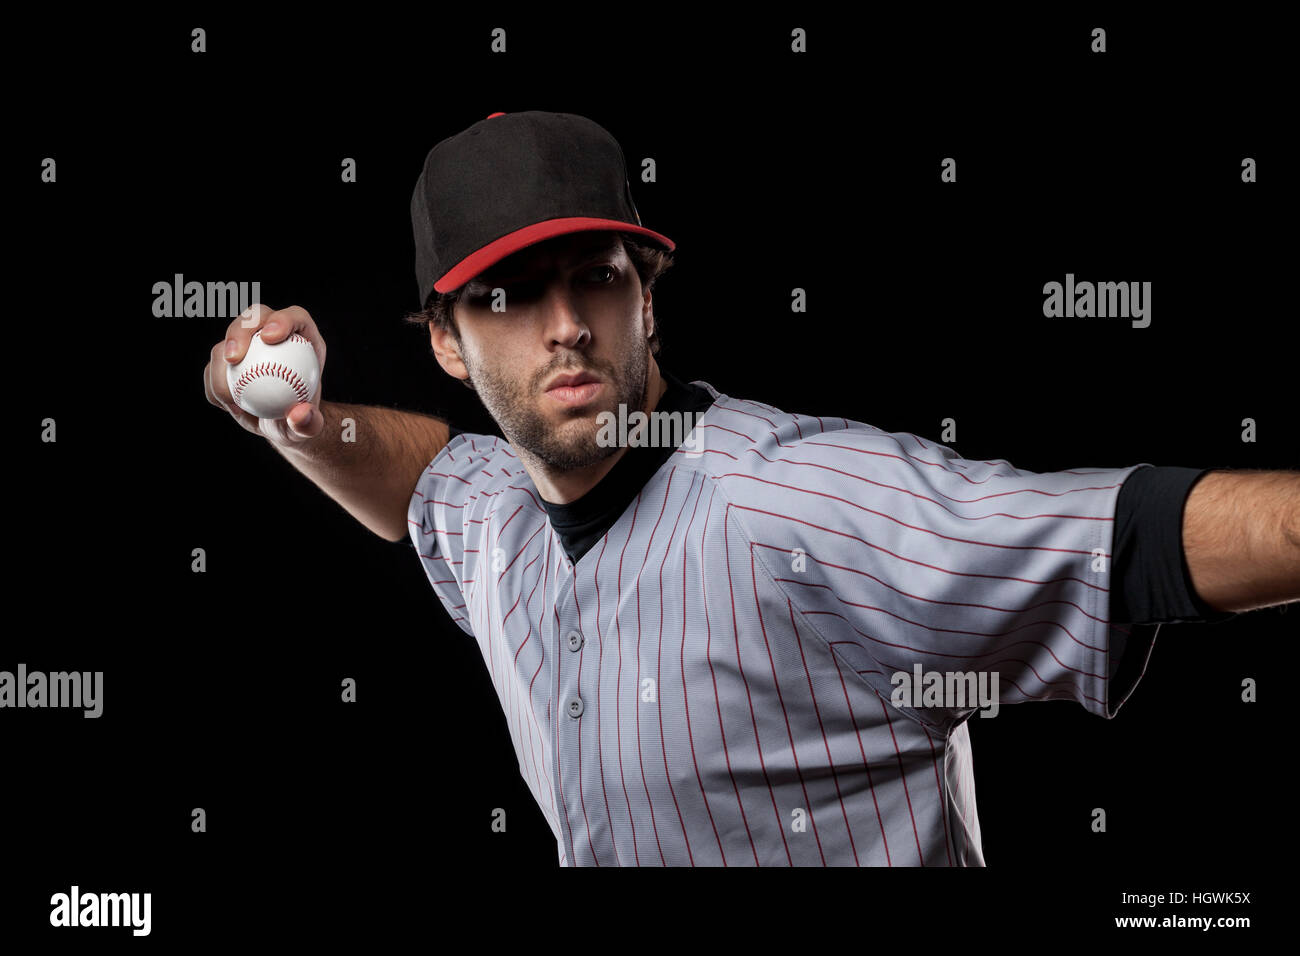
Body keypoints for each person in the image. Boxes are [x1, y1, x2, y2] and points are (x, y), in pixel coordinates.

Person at [204, 110, 1300, 866]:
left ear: (648, 296)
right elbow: (420, 476)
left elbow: (1122, 529)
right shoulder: (496, 519)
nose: (566, 323)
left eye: (597, 274)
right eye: (507, 295)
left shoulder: (795, 500)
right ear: (446, 341)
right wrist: (299, 420)